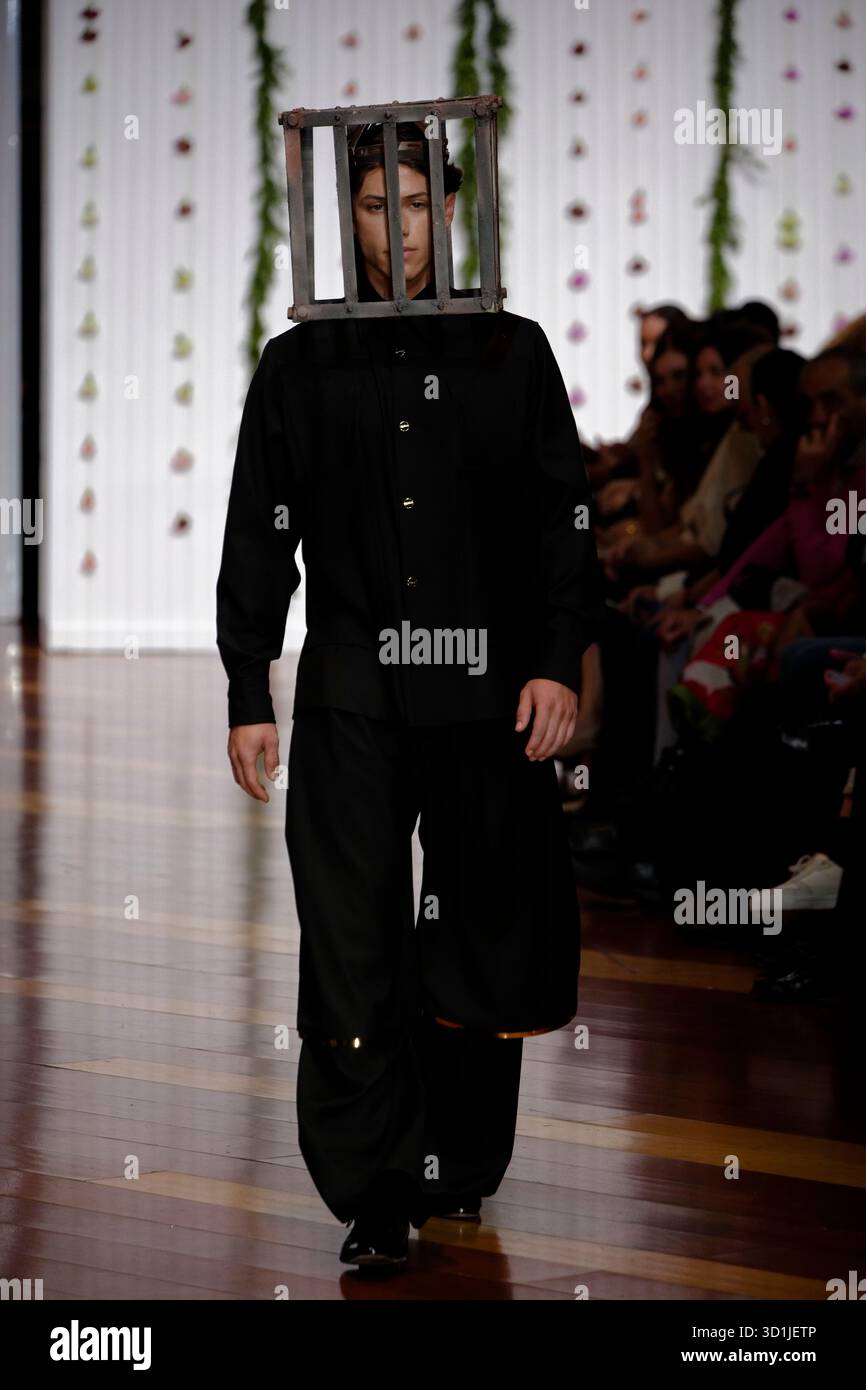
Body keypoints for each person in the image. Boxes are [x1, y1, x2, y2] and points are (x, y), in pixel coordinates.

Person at [215, 117, 605, 1270]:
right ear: (350, 222)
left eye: (417, 204)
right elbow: (257, 534)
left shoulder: (511, 350)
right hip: (351, 691)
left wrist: (554, 657)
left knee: (482, 930)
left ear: (450, 209)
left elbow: (561, 523)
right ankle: (375, 1190)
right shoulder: (297, 364)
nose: (400, 228)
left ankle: (456, 1165)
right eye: (376, 208)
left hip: (489, 690)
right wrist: (249, 687)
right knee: (350, 941)